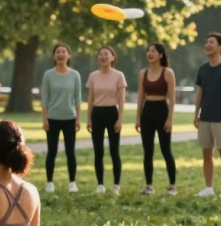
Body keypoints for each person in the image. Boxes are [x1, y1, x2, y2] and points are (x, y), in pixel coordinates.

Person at [193, 33, 221, 198]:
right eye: (207, 42)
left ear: (220, 47)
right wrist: (196, 114)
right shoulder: (203, 69)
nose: (208, 45)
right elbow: (199, 93)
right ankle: (209, 188)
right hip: (205, 117)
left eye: (212, 42)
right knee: (206, 154)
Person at [134, 43, 177, 196]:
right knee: (148, 151)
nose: (150, 54)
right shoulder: (143, 73)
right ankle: (149, 186)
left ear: (161, 55)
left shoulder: (168, 72)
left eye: (153, 51)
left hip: (162, 111)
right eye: (148, 51)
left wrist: (169, 119)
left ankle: (172, 186)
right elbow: (140, 96)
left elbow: (172, 98)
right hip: (147, 112)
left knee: (166, 150)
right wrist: (138, 117)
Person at [40, 43, 81, 193]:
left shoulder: (75, 75)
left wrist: (78, 118)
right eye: (58, 52)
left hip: (70, 118)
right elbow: (45, 98)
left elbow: (78, 98)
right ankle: (50, 183)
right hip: (53, 118)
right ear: (54, 56)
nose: (61, 54)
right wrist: (45, 119)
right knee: (52, 152)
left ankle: (72, 183)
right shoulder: (48, 75)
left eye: (64, 52)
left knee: (70, 152)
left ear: (69, 55)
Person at [86, 46, 126, 194]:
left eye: (106, 54)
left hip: (112, 113)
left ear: (112, 57)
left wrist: (120, 119)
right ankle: (100, 184)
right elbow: (90, 99)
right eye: (100, 54)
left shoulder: (119, 76)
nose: (103, 57)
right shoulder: (93, 76)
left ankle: (116, 185)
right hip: (97, 113)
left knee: (114, 151)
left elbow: (121, 100)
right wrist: (88, 118)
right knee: (98, 151)